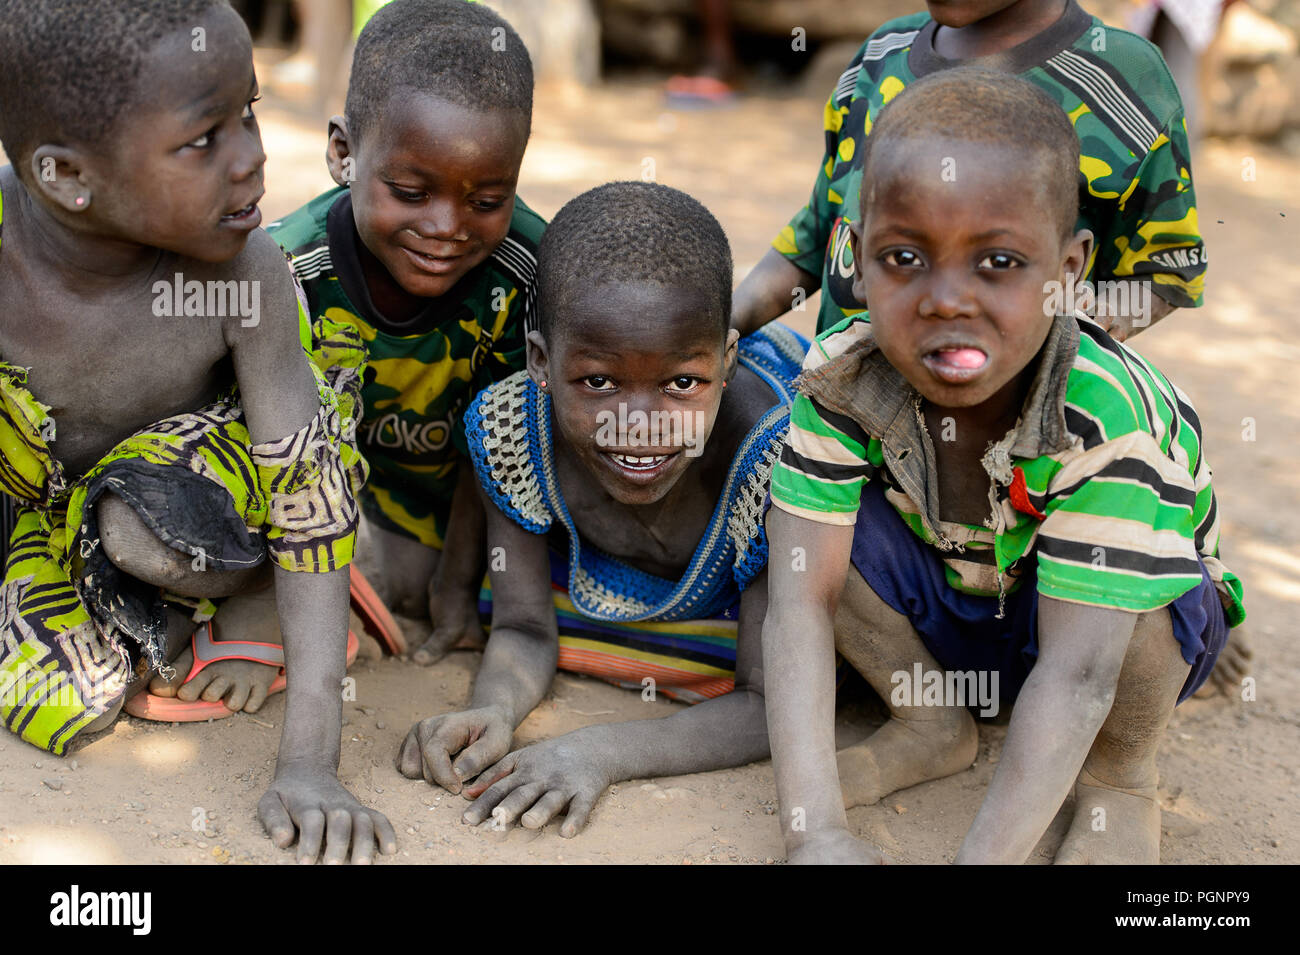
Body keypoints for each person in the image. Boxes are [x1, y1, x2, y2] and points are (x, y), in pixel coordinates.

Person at [762, 69, 1244, 865]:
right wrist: (814, 831)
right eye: (904, 255)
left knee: (1149, 606)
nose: (946, 299)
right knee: (802, 539)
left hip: (1099, 641)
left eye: (998, 263)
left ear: (1069, 269)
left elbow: (1083, 673)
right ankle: (931, 720)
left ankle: (1120, 777)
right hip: (961, 607)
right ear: (853, 257)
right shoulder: (843, 374)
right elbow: (799, 608)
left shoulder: (1106, 416)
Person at [0, 0, 393, 863]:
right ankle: (119, 608)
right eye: (202, 139)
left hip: (200, 490)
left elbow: (310, 502)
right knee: (64, 691)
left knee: (142, 532)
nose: (253, 157)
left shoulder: (242, 273)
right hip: (39, 490)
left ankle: (249, 596)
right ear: (68, 176)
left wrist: (309, 765)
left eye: (248, 111)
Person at [398, 182, 809, 837]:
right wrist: (493, 708)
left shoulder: (770, 456)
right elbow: (525, 629)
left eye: (681, 383)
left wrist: (597, 751)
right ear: (540, 361)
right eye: (599, 382)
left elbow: (766, 700)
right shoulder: (516, 428)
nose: (638, 426)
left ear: (727, 364)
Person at [269, 0, 545, 664]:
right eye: (411, 192)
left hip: (465, 508)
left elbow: (506, 446)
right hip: (337, 495)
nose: (448, 227)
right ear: (343, 154)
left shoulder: (527, 273)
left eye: (486, 202)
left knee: (422, 589)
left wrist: (457, 587)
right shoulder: (289, 271)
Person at [733, 0, 1207, 344]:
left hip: (1011, 446)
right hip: (846, 434)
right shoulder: (882, 55)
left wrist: (1074, 339)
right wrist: (723, 326)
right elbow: (820, 232)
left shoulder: (1124, 78)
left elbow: (1165, 270)